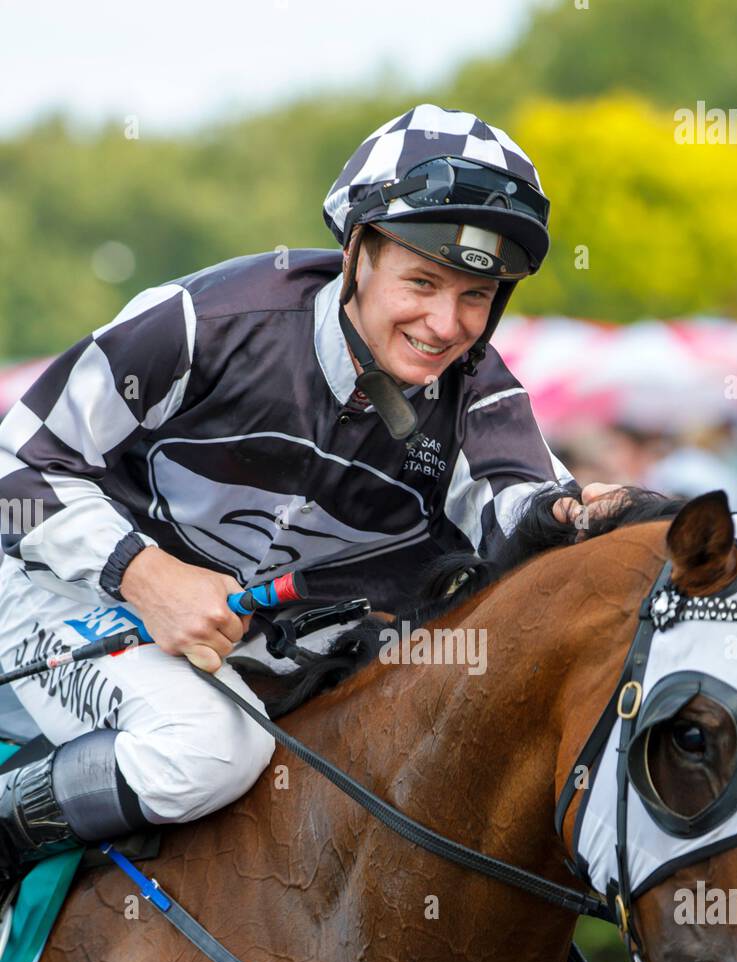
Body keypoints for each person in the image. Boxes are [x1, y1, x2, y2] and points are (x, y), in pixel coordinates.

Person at [0, 102, 615, 900]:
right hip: (53, 599)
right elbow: (14, 463)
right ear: (357, 252)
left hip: (247, 662)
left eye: (477, 296)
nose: (445, 324)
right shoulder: (200, 323)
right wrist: (145, 575)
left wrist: (594, 516)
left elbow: (522, 509)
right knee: (208, 747)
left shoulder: (482, 402)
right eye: (423, 282)